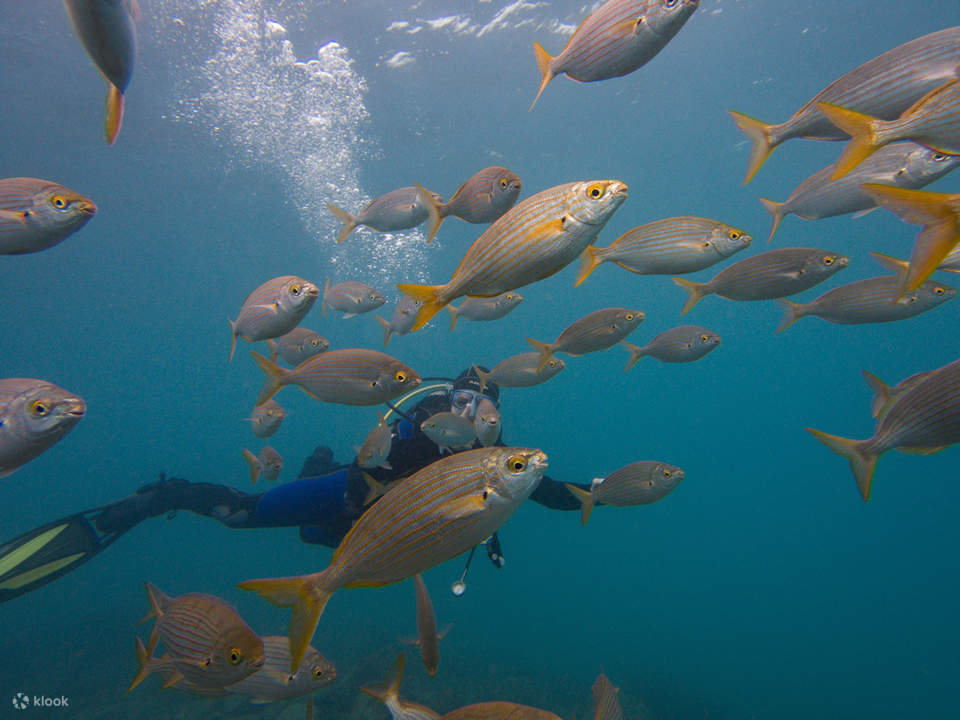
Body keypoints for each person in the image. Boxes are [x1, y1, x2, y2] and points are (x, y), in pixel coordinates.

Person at [0, 367, 589, 604]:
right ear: (446, 398)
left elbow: (543, 488)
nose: (467, 413)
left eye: (480, 407)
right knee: (242, 515)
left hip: (378, 536)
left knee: (315, 542)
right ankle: (164, 497)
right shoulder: (419, 419)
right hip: (348, 498)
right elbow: (375, 451)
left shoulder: (496, 458)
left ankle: (313, 468)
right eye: (460, 400)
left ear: (494, 414)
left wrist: (597, 495)